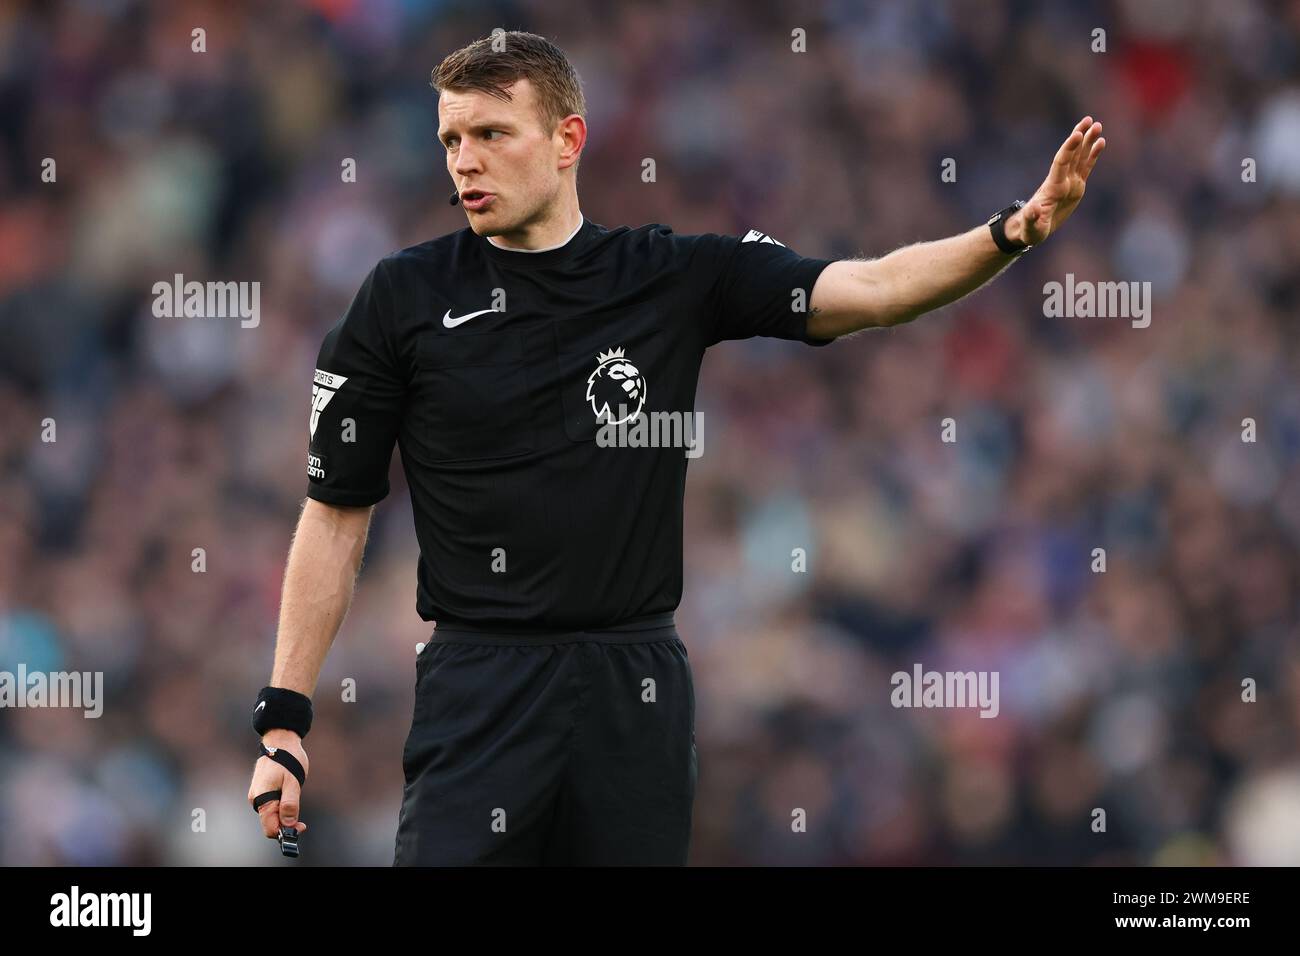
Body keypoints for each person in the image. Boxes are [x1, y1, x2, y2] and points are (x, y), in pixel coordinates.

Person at [247, 30, 1105, 865]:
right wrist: (284, 719)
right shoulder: (400, 300)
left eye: (491, 134)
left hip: (636, 689)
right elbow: (334, 515)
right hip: (479, 685)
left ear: (566, 140)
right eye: (450, 140)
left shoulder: (667, 275)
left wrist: (1011, 233)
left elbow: (872, 289)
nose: (463, 160)